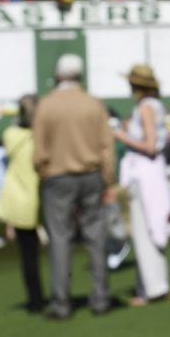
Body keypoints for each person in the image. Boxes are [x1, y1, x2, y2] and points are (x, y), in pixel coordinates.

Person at [33, 54, 115, 318]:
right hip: (91, 175)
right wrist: (108, 179)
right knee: (96, 236)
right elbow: (107, 145)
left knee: (60, 239)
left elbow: (39, 149)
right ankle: (101, 298)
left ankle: (61, 302)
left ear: (58, 74)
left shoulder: (46, 105)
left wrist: (43, 170)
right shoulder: (94, 104)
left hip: (58, 177)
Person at [112, 63, 170, 306]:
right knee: (149, 228)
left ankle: (153, 287)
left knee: (144, 229)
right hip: (148, 172)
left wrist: (121, 135)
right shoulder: (153, 106)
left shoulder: (146, 107)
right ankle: (150, 286)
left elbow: (149, 145)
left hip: (144, 173)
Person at [0, 95, 45, 313]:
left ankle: (35, 300)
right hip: (42, 197)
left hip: (18, 201)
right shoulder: (43, 136)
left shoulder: (10, 134)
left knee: (28, 254)